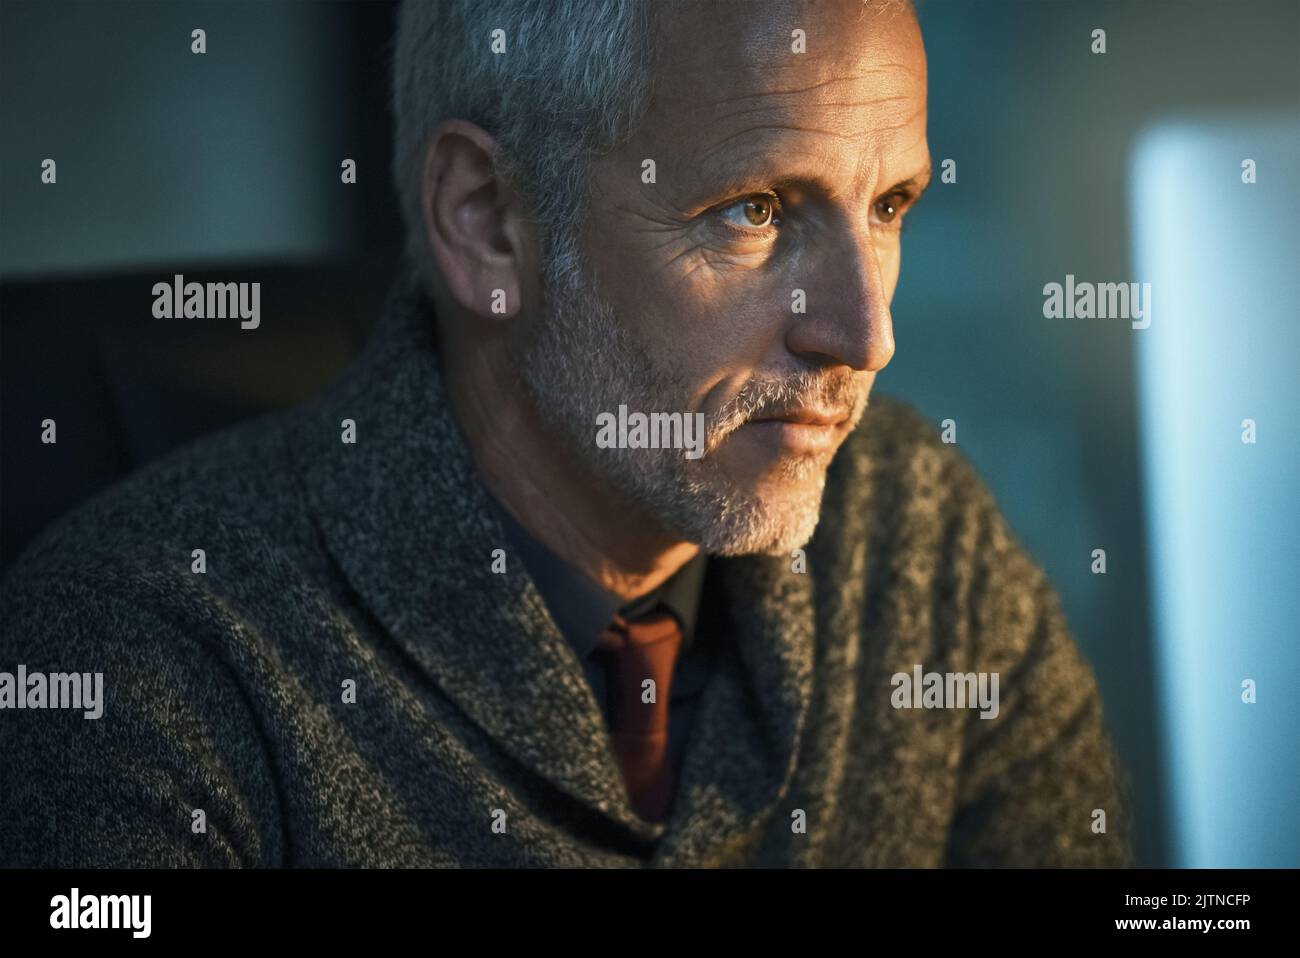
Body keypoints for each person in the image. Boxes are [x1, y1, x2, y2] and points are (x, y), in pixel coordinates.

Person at [0, 0, 1132, 867]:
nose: (865, 336)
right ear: (487, 223)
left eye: (888, 207)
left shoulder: (923, 541)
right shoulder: (135, 660)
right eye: (755, 211)